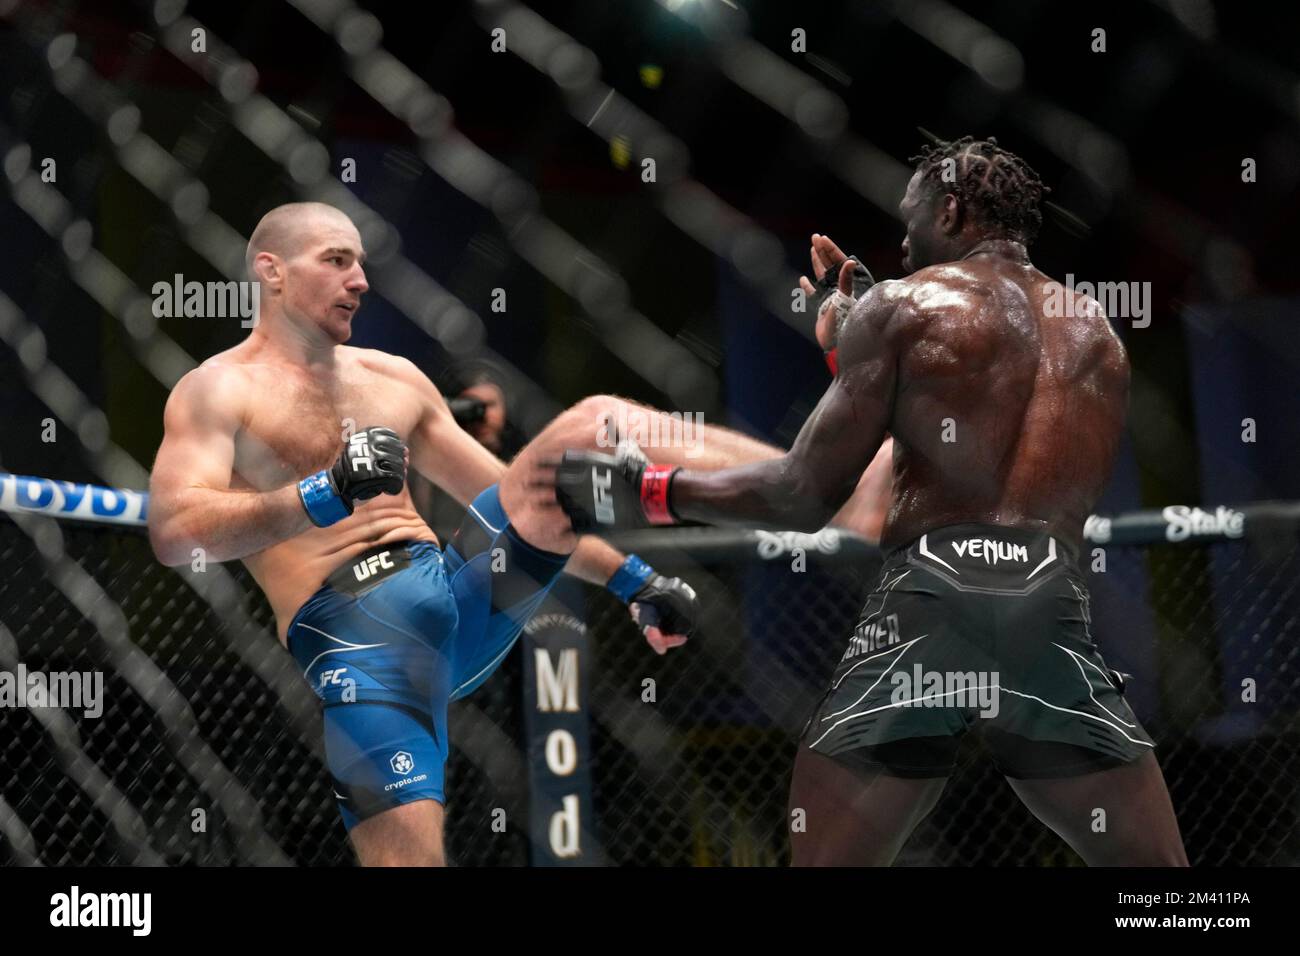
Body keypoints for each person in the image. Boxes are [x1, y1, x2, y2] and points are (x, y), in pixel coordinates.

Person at [553, 136, 1189, 866]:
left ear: (950, 209)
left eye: (911, 218)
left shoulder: (904, 305)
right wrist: (855, 338)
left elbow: (801, 494)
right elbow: (985, 445)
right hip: (1049, 603)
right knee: (1165, 889)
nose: (903, 239)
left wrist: (646, 489)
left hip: (933, 599)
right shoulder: (1098, 332)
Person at [147, 201, 706, 866]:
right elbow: (177, 533)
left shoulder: (395, 380)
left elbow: (507, 493)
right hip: (357, 644)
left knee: (554, 471)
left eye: (359, 262)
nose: (359, 280)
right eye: (336, 260)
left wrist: (636, 582)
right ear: (272, 271)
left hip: (454, 593)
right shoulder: (215, 389)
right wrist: (325, 492)